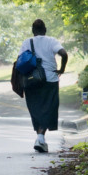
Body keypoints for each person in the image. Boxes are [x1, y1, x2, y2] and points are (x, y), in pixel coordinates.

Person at [21, 18, 68, 153]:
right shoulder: (51, 41)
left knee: (35, 108)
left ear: (33, 31)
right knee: (48, 107)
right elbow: (64, 54)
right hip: (50, 79)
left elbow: (20, 60)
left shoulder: (27, 42)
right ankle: (41, 138)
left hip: (32, 80)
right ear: (45, 30)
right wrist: (62, 69)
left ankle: (40, 138)